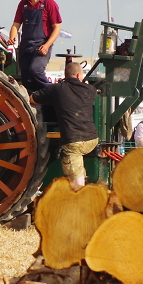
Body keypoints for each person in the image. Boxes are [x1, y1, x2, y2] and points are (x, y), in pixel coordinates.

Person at [30, 62, 98, 190]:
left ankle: (79, 194)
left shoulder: (56, 89)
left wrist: (54, 100)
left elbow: (32, 99)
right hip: (92, 140)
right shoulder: (91, 90)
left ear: (65, 75)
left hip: (73, 141)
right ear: (78, 75)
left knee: (76, 182)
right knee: (78, 160)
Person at [7, 0, 62, 93]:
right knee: (26, 78)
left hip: (41, 45)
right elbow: (16, 24)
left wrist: (47, 45)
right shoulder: (23, 5)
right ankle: (34, 102)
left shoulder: (49, 4)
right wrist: (12, 37)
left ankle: (52, 91)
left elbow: (57, 28)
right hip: (25, 46)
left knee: (35, 70)